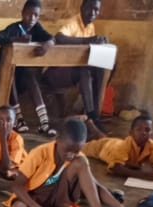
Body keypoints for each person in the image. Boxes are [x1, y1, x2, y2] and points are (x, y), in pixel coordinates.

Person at [4, 118, 126, 207]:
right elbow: (17, 185)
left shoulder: (78, 160)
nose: (71, 155)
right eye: (67, 150)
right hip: (35, 198)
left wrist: (118, 206)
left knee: (81, 162)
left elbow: (96, 187)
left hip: (59, 200)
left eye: (76, 151)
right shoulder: (39, 153)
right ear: (57, 140)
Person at [0, 0, 55, 135]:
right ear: (23, 14)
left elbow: (51, 38)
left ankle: (44, 122)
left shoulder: (36, 29)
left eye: (36, 15)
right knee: (10, 74)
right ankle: (18, 118)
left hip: (19, 74)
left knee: (31, 77)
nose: (32, 18)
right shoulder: (14, 28)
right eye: (29, 14)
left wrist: (47, 46)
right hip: (0, 71)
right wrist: (14, 39)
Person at [50, 0, 112, 136]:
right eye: (90, 9)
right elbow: (59, 38)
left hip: (73, 73)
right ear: (82, 8)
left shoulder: (90, 27)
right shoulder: (73, 22)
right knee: (85, 72)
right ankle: (92, 117)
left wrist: (99, 40)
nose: (93, 13)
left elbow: (90, 48)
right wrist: (88, 40)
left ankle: (95, 115)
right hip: (55, 72)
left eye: (96, 10)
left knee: (100, 70)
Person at [82, 112, 153, 180]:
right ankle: (89, 126)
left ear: (151, 133)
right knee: (83, 147)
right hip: (104, 148)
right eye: (139, 129)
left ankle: (92, 127)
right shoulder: (125, 145)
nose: (143, 132)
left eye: (147, 130)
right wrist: (141, 175)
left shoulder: (151, 145)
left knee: (105, 138)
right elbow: (116, 168)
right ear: (131, 133)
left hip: (116, 143)